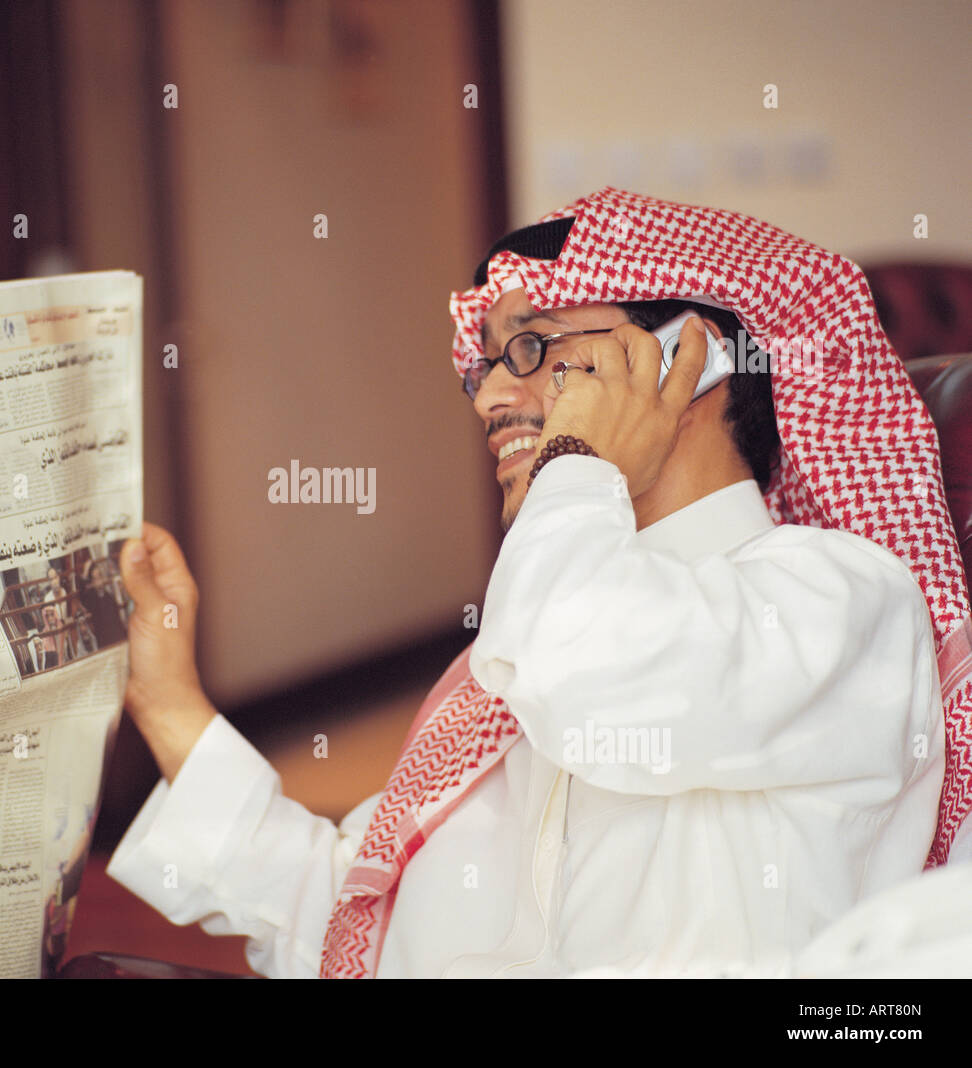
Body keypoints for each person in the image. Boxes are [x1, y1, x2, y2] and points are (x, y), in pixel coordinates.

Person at [105, 188, 972, 978]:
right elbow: (355, 915)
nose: (487, 400)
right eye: (486, 368)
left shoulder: (844, 602)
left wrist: (578, 462)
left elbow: (588, 672)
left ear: (688, 361)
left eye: (530, 347)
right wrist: (168, 701)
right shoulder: (532, 641)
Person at [78, 558, 128, 651]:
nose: (99, 581)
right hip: (105, 644)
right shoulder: (92, 598)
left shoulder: (108, 596)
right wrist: (85, 574)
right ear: (92, 582)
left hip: (118, 639)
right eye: (95, 578)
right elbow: (81, 596)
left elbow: (117, 619)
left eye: (100, 577)